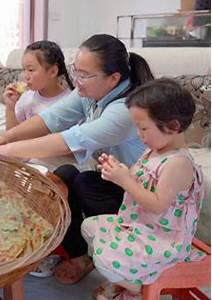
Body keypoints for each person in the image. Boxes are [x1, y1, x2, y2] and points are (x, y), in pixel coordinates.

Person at [0, 34, 154, 284]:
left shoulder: (126, 110)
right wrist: (5, 138)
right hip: (108, 176)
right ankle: (78, 253)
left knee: (82, 182)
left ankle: (114, 256)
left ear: (114, 79)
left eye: (85, 75)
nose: (77, 80)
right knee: (61, 178)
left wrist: (5, 151)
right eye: (76, 71)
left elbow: (70, 138)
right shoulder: (89, 91)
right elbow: (51, 119)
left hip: (137, 191)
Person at [83, 79, 204, 299]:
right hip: (138, 225)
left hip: (162, 237)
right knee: (89, 226)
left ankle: (139, 288)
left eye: (143, 128)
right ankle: (129, 281)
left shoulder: (178, 163)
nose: (139, 134)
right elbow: (143, 181)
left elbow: (157, 205)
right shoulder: (155, 151)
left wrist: (125, 181)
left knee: (104, 259)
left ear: (173, 126)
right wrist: (121, 172)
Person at [3, 40, 73, 130]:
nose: (25, 76)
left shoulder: (70, 102)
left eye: (31, 70)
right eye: (24, 69)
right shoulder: (26, 99)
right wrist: (10, 108)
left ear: (53, 71)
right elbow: (11, 136)